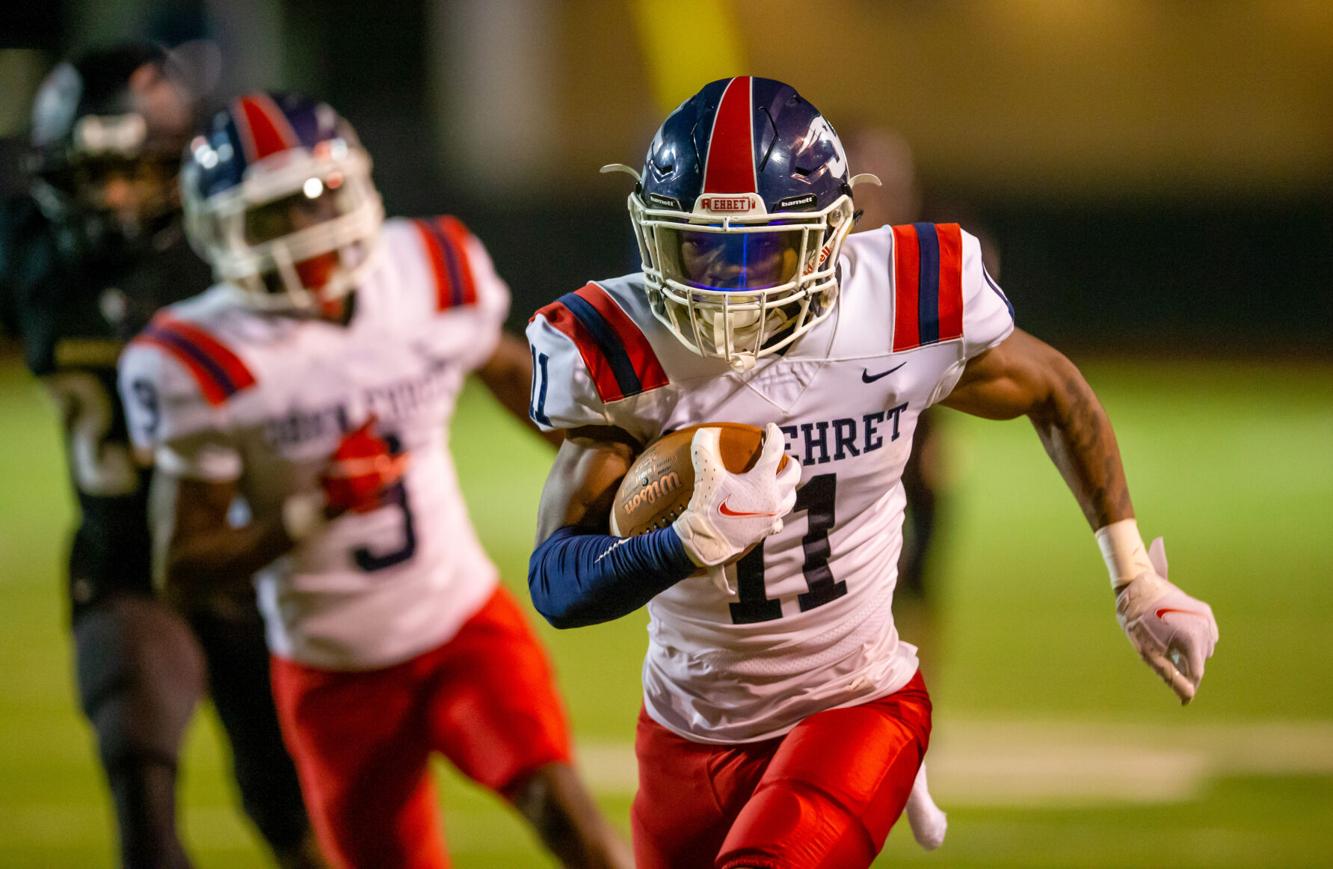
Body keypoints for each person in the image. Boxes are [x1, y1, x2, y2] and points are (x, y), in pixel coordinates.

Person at [525, 76, 1220, 869]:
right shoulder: (620, 349)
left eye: (761, 250)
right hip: (685, 731)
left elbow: (1055, 391)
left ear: (827, 237)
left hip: (853, 703)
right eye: (700, 247)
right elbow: (555, 582)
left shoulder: (894, 300)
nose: (726, 284)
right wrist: (680, 542)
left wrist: (1133, 577)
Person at [117, 90, 631, 869]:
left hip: (461, 623)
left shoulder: (424, 269)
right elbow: (182, 565)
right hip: (332, 667)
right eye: (274, 213)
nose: (305, 227)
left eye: (316, 196)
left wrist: (616, 470)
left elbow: (504, 369)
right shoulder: (202, 357)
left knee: (563, 810)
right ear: (223, 230)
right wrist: (308, 511)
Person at [0, 44, 319, 869]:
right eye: (92, 174)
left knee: (293, 812)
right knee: (140, 796)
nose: (113, 197)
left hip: (245, 561)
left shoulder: (230, 246)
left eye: (136, 172)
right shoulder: (28, 249)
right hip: (125, 566)